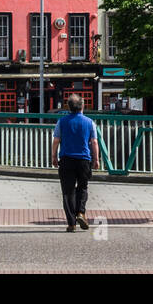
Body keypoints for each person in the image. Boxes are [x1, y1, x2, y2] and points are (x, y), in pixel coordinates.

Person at [51, 95, 99, 232]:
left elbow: (56, 140)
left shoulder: (62, 121)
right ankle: (80, 212)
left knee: (68, 192)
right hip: (84, 159)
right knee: (82, 188)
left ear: (69, 107)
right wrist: (96, 159)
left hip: (66, 160)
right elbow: (94, 142)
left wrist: (54, 156)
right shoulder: (90, 122)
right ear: (82, 106)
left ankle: (71, 223)